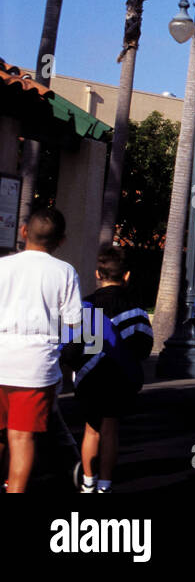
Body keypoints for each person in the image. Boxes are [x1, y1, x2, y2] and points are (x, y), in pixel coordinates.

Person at [0, 208, 82, 493]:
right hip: (35, 367)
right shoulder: (65, 272)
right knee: (21, 441)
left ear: (24, 232)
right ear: (62, 240)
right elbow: (74, 322)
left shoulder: (2, 267)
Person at [62, 245, 153, 493]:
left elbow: (69, 349)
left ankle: (88, 483)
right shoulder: (136, 309)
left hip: (88, 377)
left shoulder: (84, 307)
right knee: (110, 429)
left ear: (97, 274)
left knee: (91, 430)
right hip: (119, 377)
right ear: (126, 276)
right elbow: (144, 348)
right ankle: (105, 485)